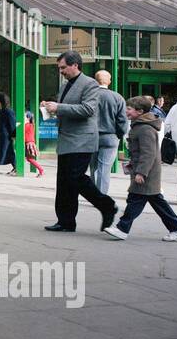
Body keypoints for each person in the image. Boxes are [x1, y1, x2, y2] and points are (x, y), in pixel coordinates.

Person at [39, 51, 118, 233]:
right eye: (59, 68)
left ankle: (107, 206)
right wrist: (50, 107)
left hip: (82, 140)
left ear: (75, 65)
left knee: (76, 178)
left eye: (63, 67)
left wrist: (58, 107)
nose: (61, 71)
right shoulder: (65, 85)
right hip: (67, 139)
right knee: (64, 182)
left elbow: (88, 109)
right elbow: (67, 109)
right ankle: (66, 221)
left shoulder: (90, 84)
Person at [103, 95, 177, 242]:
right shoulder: (140, 125)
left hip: (146, 172)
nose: (126, 112)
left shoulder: (144, 129)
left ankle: (122, 229)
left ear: (140, 111)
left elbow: (148, 153)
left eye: (129, 109)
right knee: (153, 201)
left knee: (136, 200)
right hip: (146, 171)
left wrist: (141, 172)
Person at [88, 69, 127, 196]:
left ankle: (93, 194)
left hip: (91, 136)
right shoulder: (117, 97)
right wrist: (119, 135)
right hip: (110, 137)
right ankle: (101, 195)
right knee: (104, 168)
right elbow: (122, 120)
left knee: (93, 167)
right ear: (109, 81)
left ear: (95, 80)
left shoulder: (89, 95)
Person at [0, 92, 18, 174]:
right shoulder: (1, 111)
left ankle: (16, 167)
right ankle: (15, 167)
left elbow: (12, 124)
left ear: (1, 101)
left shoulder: (8, 111)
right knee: (7, 151)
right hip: (2, 135)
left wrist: (13, 135)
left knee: (9, 151)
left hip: (6, 136)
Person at [23, 110, 44, 177]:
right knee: (29, 158)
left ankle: (41, 170)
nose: (22, 118)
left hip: (29, 144)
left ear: (28, 118)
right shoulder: (29, 125)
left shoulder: (28, 125)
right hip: (28, 143)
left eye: (24, 116)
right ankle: (41, 170)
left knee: (30, 158)